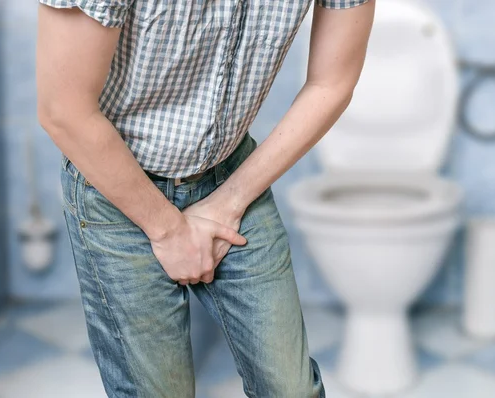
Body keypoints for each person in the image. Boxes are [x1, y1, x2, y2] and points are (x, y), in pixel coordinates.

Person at [36, 0, 375, 396]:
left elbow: (331, 83)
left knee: (291, 390)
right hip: (118, 187)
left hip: (232, 173)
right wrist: (167, 230)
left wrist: (230, 200)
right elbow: (63, 109)